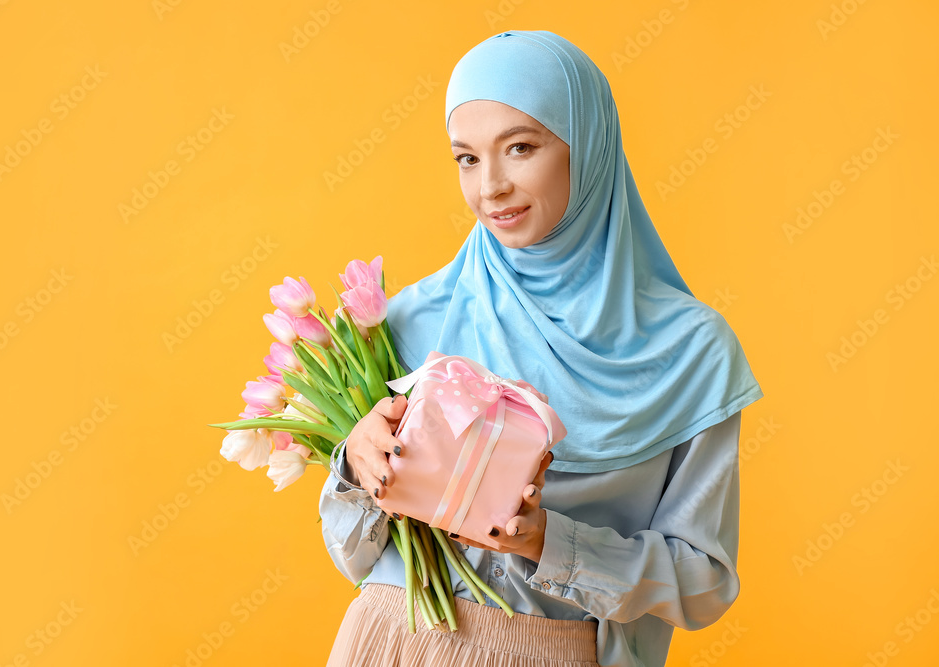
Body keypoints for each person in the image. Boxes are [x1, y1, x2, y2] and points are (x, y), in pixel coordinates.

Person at [319, 29, 763, 667]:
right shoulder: (412, 317)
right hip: (386, 643)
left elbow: (703, 584)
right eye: (466, 158)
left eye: (520, 148)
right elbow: (355, 556)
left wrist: (550, 544)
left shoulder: (690, 351)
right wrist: (356, 468)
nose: (490, 187)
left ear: (589, 145)